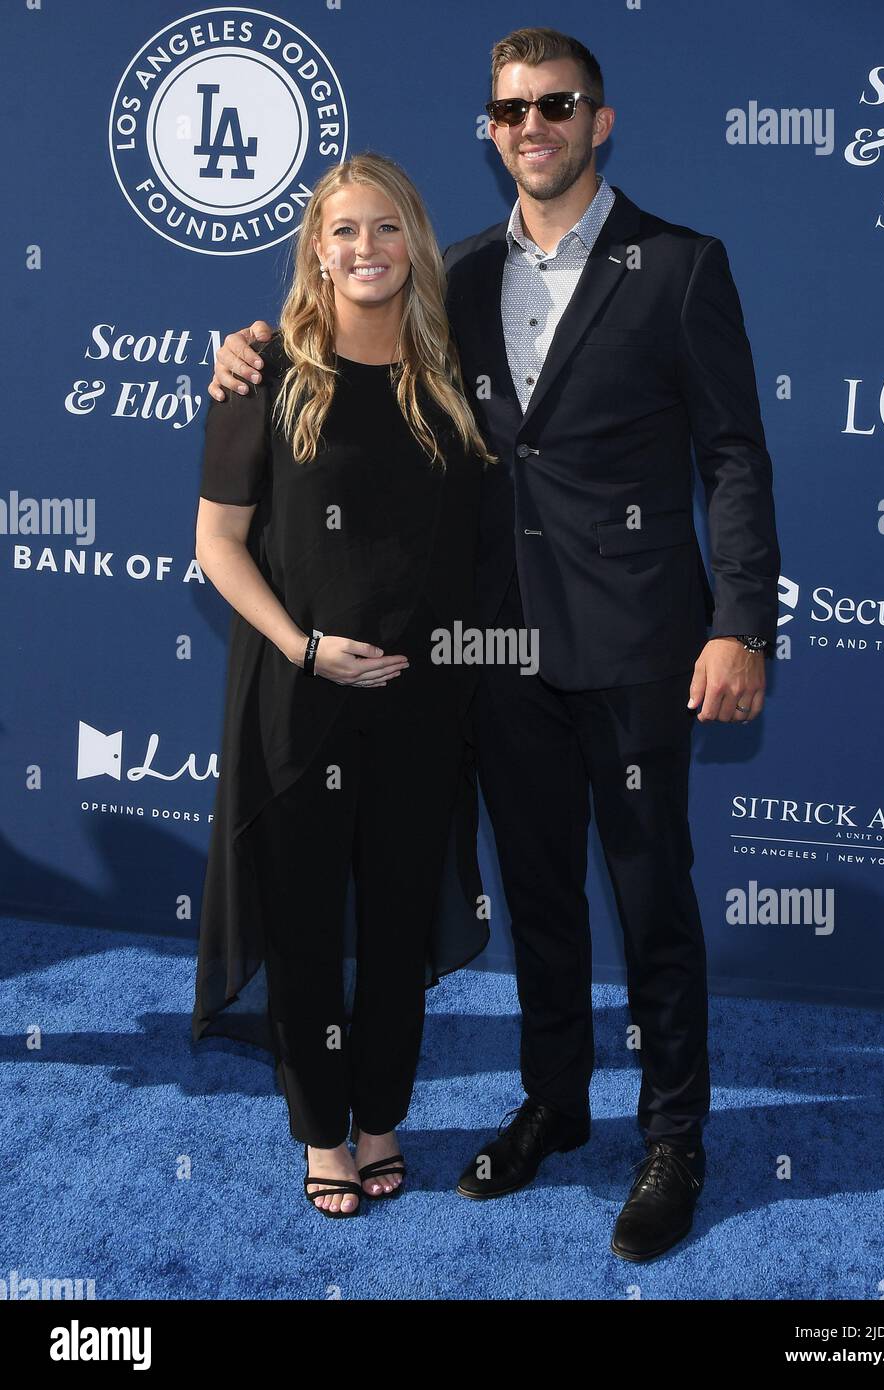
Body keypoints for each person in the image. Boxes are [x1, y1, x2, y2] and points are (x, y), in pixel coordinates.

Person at [208, 27, 781, 1260]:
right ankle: (556, 1102)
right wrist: (245, 347)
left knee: (650, 895)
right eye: (512, 111)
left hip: (636, 645)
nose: (534, 126)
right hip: (495, 653)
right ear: (491, 130)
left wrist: (742, 621)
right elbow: (341, 350)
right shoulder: (452, 280)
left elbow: (732, 456)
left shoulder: (679, 266)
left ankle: (673, 1133)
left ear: (600, 120)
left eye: (557, 106)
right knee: (536, 894)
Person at [193, 151, 495, 1217]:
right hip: (301, 698)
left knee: (404, 919)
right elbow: (216, 546)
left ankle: (381, 1118)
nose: (364, 249)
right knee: (308, 926)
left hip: (423, 704)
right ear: (314, 253)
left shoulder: (452, 375)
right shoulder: (263, 376)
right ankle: (322, 1131)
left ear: (416, 241)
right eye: (343, 231)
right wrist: (304, 645)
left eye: (386, 228)